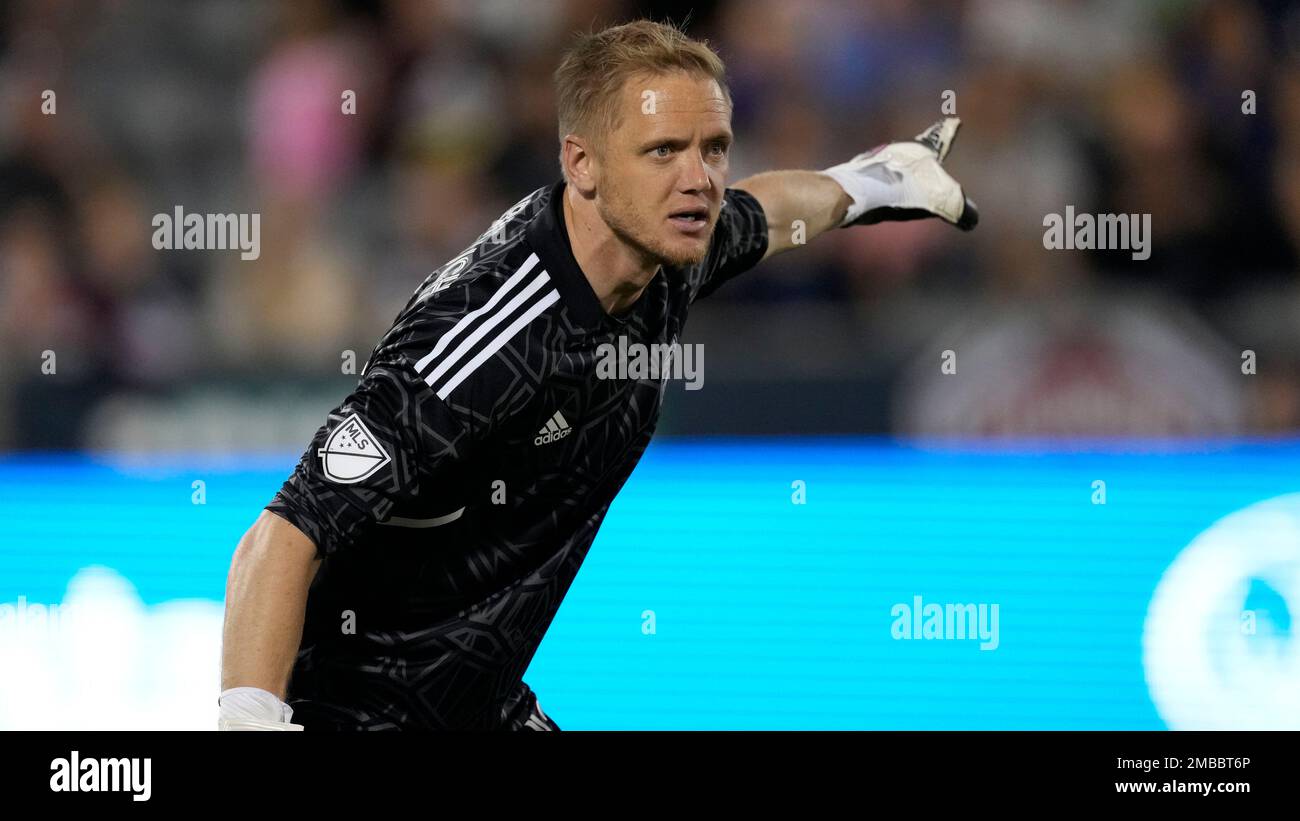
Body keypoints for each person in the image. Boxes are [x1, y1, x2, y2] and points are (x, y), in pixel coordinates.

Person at [218, 18, 976, 731]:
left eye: (714, 147)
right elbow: (281, 538)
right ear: (581, 162)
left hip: (480, 701)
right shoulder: (483, 337)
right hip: (361, 711)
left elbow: (770, 213)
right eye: (663, 149)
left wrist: (877, 181)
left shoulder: (664, 244)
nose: (699, 178)